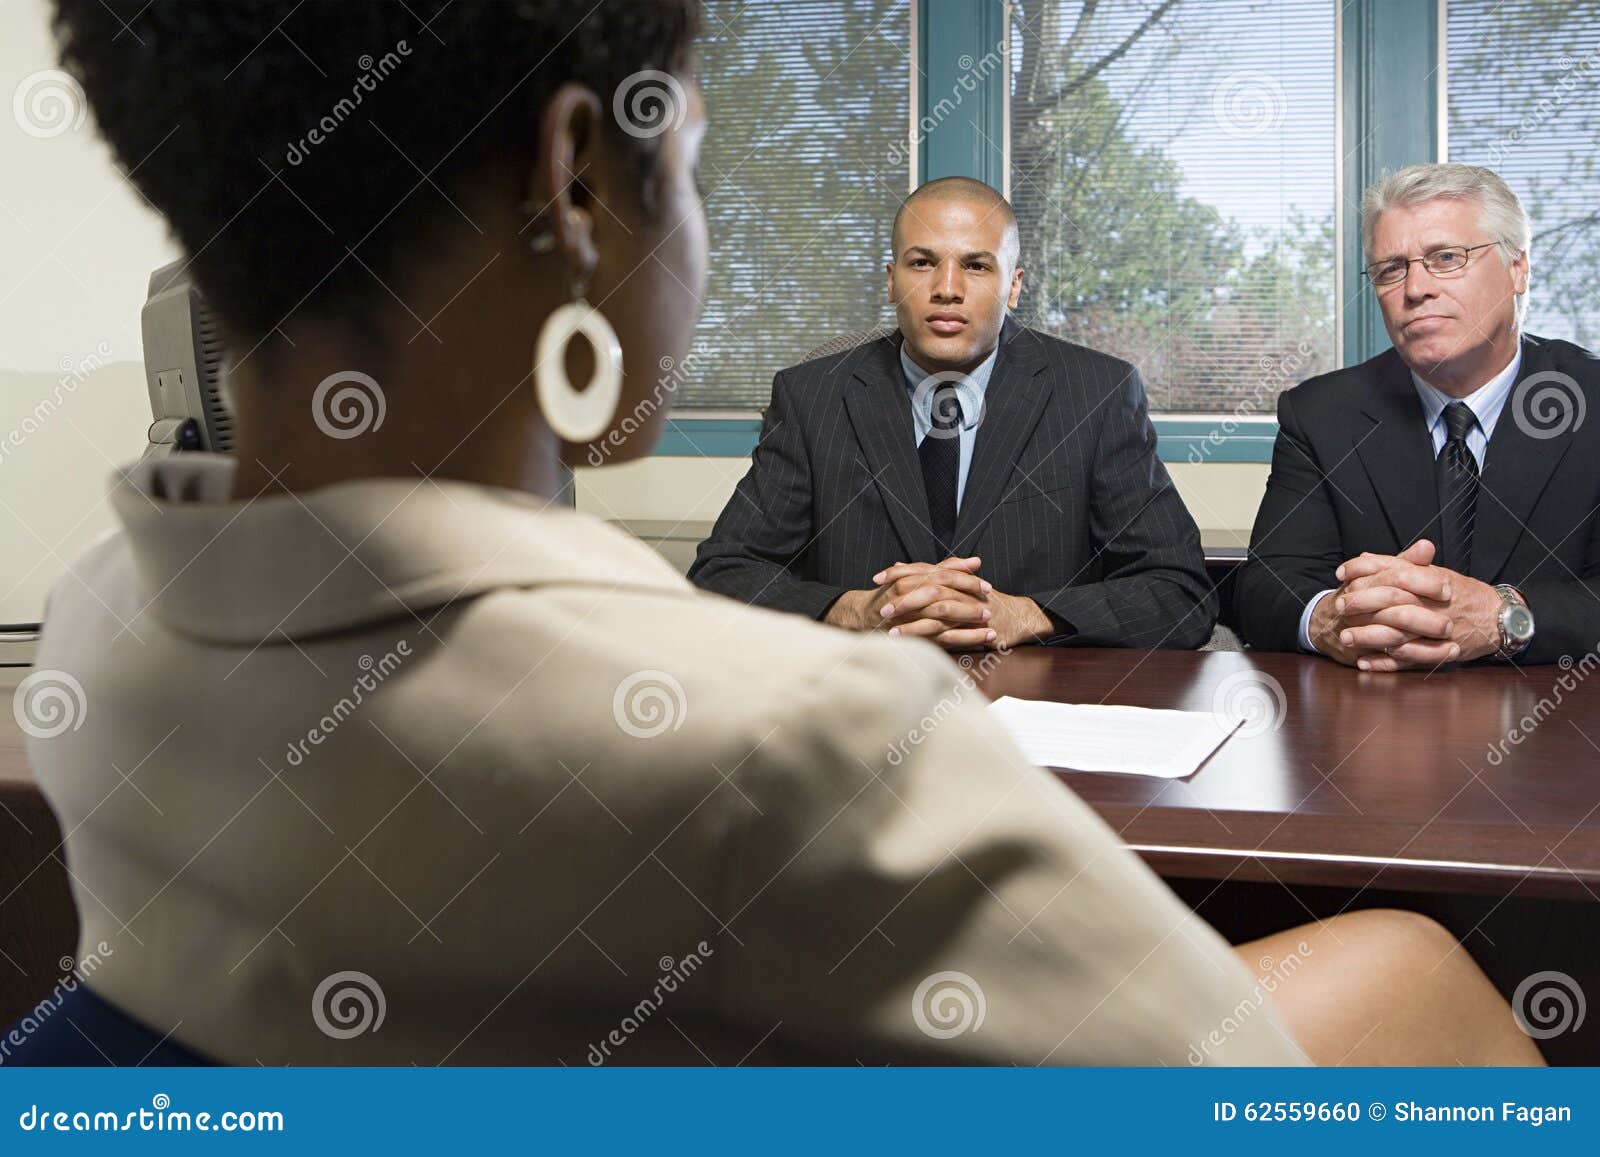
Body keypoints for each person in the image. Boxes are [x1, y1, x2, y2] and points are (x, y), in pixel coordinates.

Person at [24, 0, 1539, 1067]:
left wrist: (1024, 611)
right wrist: (858, 625)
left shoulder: (95, 640)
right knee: (1410, 970)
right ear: (575, 182)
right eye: (689, 161)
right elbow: (1178, 1065)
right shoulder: (804, 739)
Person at [689, 178, 1216, 651]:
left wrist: (1024, 615)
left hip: (1037, 710)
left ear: (1013, 286)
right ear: (892, 280)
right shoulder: (812, 396)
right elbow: (722, 575)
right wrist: (853, 611)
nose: (946, 287)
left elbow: (1180, 593)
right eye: (922, 262)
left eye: (976, 265)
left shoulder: (1097, 393)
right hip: (860, 706)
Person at [1238, 162, 1600, 670]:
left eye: (1446, 258)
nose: (1415, 289)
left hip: (1558, 727)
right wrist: (1331, 619)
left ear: (1518, 269)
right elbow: (1267, 585)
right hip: (1375, 726)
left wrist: (1505, 616)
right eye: (1391, 269)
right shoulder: (1321, 415)